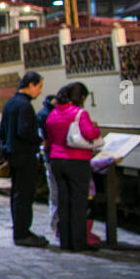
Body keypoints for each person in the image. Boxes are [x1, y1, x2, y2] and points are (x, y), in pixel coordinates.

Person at [44, 81, 101, 251]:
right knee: (78, 202)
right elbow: (89, 133)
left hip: (56, 161)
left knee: (63, 201)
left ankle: (65, 241)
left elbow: (50, 138)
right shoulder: (79, 113)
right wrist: (96, 130)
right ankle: (79, 242)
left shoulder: (53, 114)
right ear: (81, 97)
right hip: (77, 160)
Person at [0, 71, 46, 246]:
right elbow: (24, 131)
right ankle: (22, 233)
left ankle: (19, 229)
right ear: (30, 85)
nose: (39, 91)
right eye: (38, 87)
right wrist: (40, 140)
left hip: (13, 156)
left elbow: (1, 132)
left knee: (17, 194)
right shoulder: (24, 106)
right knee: (25, 195)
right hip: (25, 155)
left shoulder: (10, 103)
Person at [36, 91, 61, 239]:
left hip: (53, 157)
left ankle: (57, 227)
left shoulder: (45, 114)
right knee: (57, 193)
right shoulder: (49, 115)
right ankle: (58, 226)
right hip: (57, 157)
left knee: (55, 192)